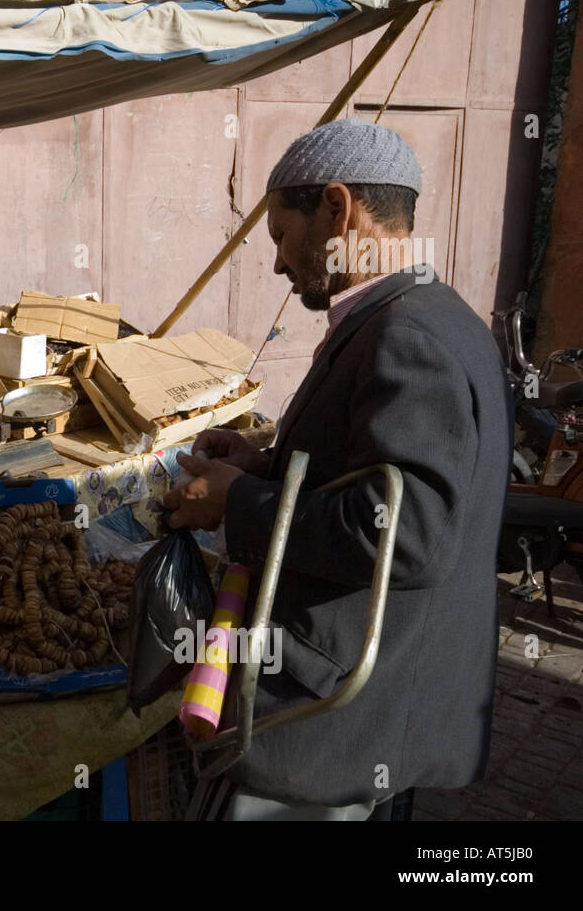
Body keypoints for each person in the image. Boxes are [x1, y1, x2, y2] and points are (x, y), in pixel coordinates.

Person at [164, 119, 513, 821]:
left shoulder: (407, 339)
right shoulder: (426, 319)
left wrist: (239, 505)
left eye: (281, 237)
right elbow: (372, 474)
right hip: (375, 708)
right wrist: (264, 465)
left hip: (339, 720)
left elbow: (408, 536)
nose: (278, 265)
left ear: (337, 208)